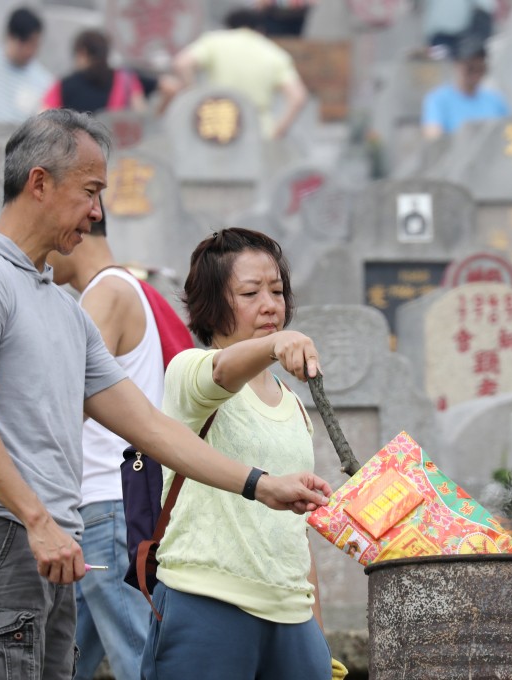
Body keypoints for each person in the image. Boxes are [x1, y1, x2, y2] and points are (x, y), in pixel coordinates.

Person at [0, 109, 331, 680]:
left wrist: (262, 485)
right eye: (90, 191)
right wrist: (37, 520)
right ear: (39, 183)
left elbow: (153, 429)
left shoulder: (63, 307)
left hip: (58, 546)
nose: (96, 212)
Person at [141, 228, 331, 680]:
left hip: (292, 619)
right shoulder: (190, 371)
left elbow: (297, 531)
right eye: (250, 292)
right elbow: (223, 370)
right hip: (205, 603)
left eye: (278, 290)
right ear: (211, 305)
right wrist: (273, 346)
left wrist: (318, 637)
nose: (270, 304)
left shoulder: (293, 404)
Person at [46, 209, 187, 680]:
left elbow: (68, 403)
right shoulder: (127, 288)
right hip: (104, 506)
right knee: (63, 662)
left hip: (107, 504)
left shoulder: (103, 295)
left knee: (139, 657)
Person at [173, 8, 308, 139]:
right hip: (258, 131)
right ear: (260, 30)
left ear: (228, 27)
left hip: (216, 127)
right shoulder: (275, 53)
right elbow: (298, 98)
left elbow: (182, 63)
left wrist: (195, 97)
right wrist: (277, 132)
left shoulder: (214, 41)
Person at [41, 29, 147, 115]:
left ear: (82, 52)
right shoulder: (126, 79)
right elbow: (141, 116)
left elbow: (42, 117)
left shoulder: (64, 85)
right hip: (115, 139)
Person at [421, 43, 509, 139]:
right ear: (456, 65)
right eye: (470, 69)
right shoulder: (438, 100)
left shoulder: (495, 100)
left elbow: (508, 133)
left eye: (480, 69)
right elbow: (433, 137)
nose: (476, 75)